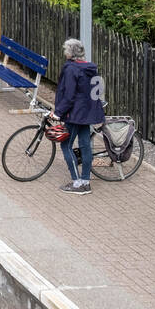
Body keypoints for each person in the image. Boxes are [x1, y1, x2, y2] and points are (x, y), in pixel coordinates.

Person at [53, 38, 105, 195]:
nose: (64, 53)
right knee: (85, 146)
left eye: (65, 50)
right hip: (88, 112)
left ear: (70, 53)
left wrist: (58, 112)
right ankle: (86, 181)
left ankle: (77, 183)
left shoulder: (71, 70)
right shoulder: (90, 68)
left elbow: (69, 96)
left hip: (75, 113)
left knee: (66, 145)